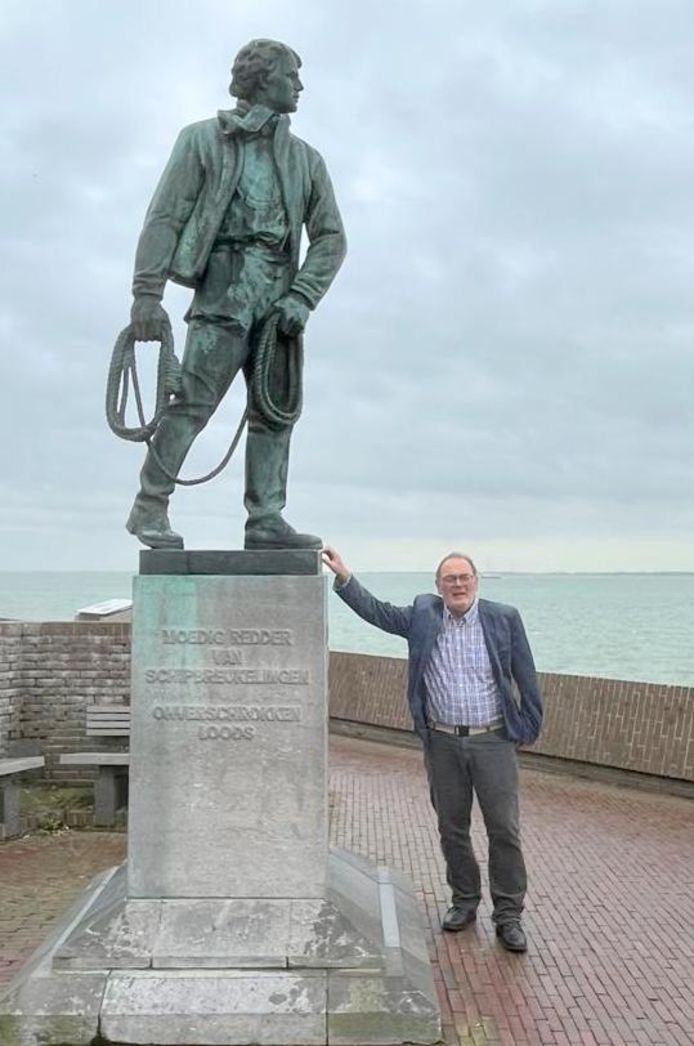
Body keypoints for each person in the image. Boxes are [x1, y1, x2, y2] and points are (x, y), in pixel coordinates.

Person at [125, 39, 346, 551]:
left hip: (279, 297)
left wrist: (302, 296)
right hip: (223, 285)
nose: (300, 85)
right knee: (193, 403)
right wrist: (146, 294)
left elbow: (332, 236)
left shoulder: (306, 160)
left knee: (275, 412)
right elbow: (165, 217)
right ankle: (149, 504)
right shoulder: (202, 140)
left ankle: (266, 518)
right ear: (262, 78)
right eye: (292, 74)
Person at [321, 546, 543, 952]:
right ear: (438, 586)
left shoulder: (503, 618)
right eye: (449, 579)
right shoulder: (424, 615)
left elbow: (525, 674)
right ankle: (464, 901)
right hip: (442, 742)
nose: (457, 585)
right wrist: (345, 577)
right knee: (451, 828)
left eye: (464, 578)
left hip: (492, 740)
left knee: (504, 830)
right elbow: (378, 612)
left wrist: (528, 727)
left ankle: (509, 915)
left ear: (475, 581)